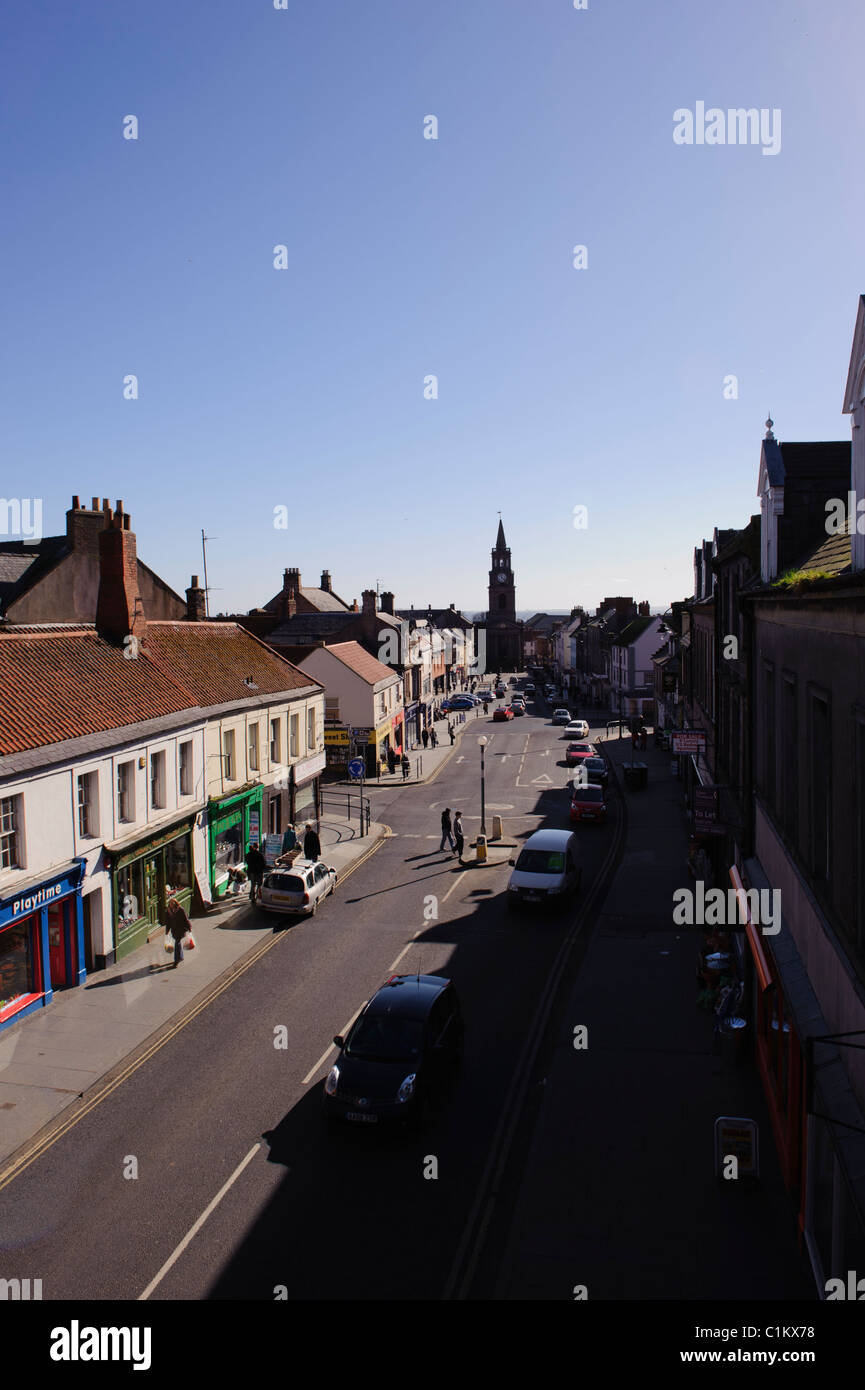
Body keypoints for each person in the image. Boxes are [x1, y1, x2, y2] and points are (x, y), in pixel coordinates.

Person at [166, 896, 191, 968]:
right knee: (178, 943)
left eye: (173, 903)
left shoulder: (181, 910)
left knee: (177, 944)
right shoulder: (169, 911)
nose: (171, 905)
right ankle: (181, 957)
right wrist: (167, 931)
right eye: (170, 903)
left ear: (176, 903)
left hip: (180, 929)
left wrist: (189, 928)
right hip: (174, 930)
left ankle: (176, 961)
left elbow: (186, 920)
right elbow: (168, 922)